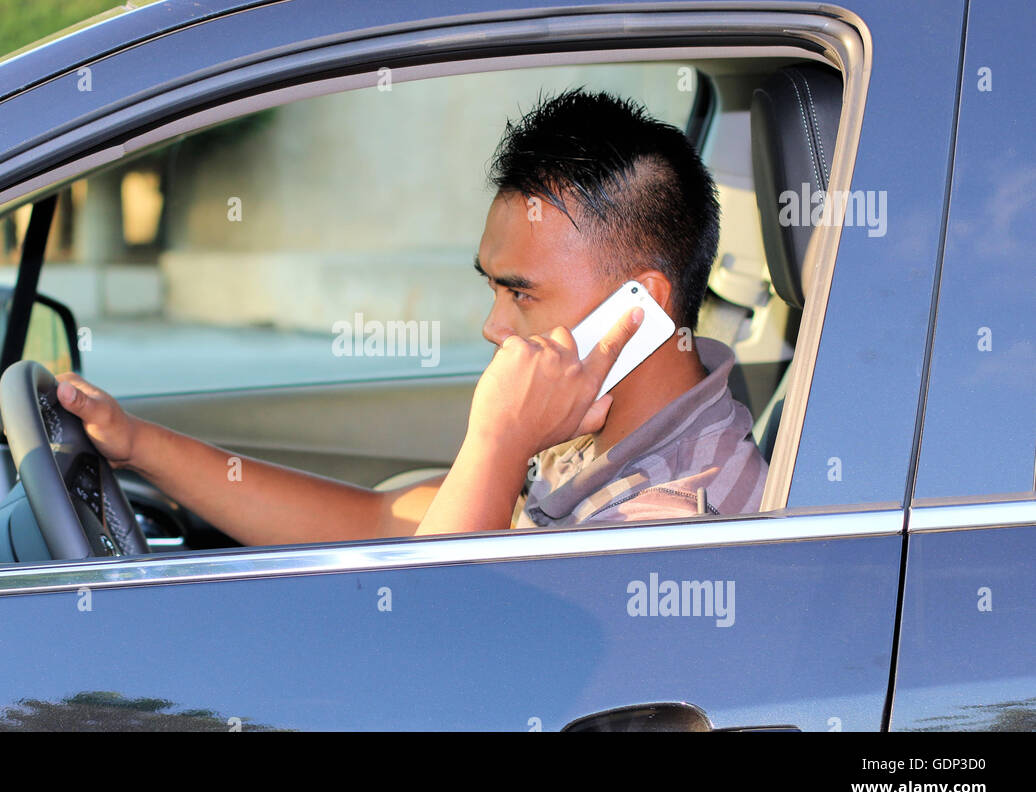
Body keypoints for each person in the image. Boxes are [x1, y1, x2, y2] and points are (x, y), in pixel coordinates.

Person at [55, 88, 768, 544]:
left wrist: (499, 441)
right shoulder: (600, 437)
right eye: (491, 288)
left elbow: (424, 649)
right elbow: (378, 521)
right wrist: (137, 444)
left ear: (639, 309)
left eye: (520, 292)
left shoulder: (667, 523)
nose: (493, 326)